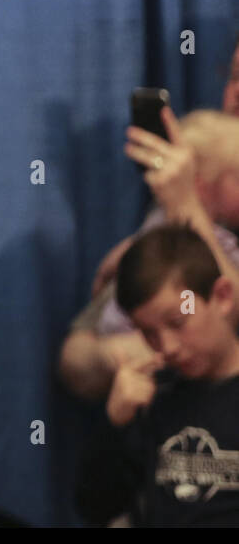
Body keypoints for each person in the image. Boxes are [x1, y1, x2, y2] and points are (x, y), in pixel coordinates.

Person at [59, 96, 239, 403]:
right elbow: (76, 358)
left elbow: (229, 312)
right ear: (203, 183)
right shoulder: (155, 241)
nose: (167, 345)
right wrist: (120, 351)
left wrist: (185, 206)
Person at [75, 225, 239, 526]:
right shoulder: (154, 396)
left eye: (177, 322)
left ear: (222, 296)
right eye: (149, 333)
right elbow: (94, 506)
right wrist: (116, 424)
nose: (167, 347)